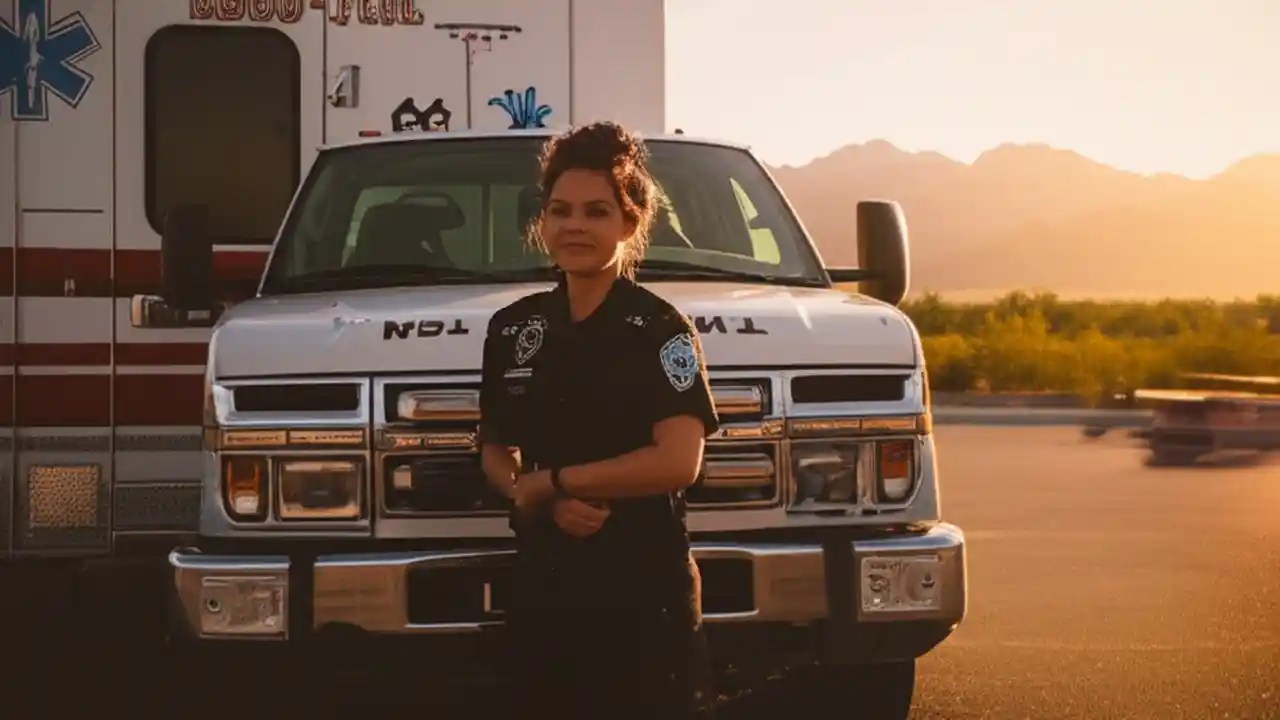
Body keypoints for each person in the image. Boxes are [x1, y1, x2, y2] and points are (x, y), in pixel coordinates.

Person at [478, 121, 721, 719]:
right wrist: (533, 495)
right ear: (542, 222)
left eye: (596, 211)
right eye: (560, 210)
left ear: (630, 222)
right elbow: (494, 445)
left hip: (643, 590)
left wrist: (556, 483)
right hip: (544, 584)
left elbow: (678, 460)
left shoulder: (662, 329)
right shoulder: (513, 330)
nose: (575, 226)